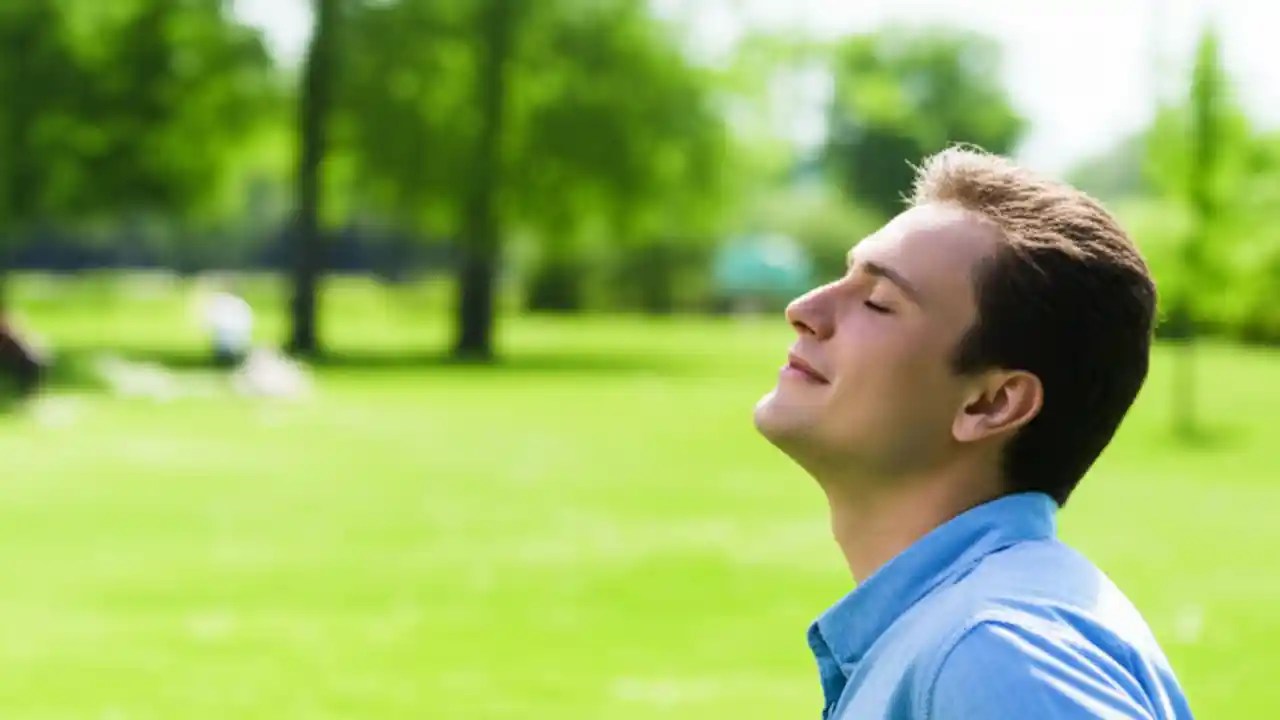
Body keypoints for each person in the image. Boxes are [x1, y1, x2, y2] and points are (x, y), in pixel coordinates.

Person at [753, 148, 1193, 719]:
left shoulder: (995, 653)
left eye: (879, 302)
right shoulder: (976, 628)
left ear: (991, 403)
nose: (804, 308)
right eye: (845, 275)